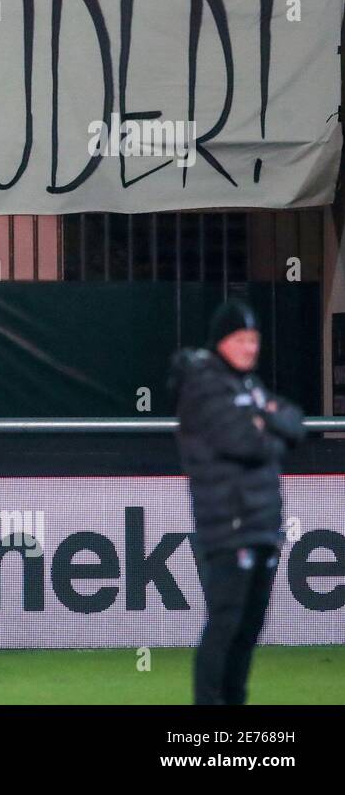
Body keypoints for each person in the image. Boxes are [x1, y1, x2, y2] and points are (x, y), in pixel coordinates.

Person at [170, 300, 304, 704]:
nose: (250, 348)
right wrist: (267, 423)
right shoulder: (204, 384)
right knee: (226, 625)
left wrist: (266, 420)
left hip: (261, 524)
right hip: (228, 525)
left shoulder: (246, 386)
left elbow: (295, 424)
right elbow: (246, 442)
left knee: (248, 629)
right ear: (222, 342)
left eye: (254, 340)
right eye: (242, 340)